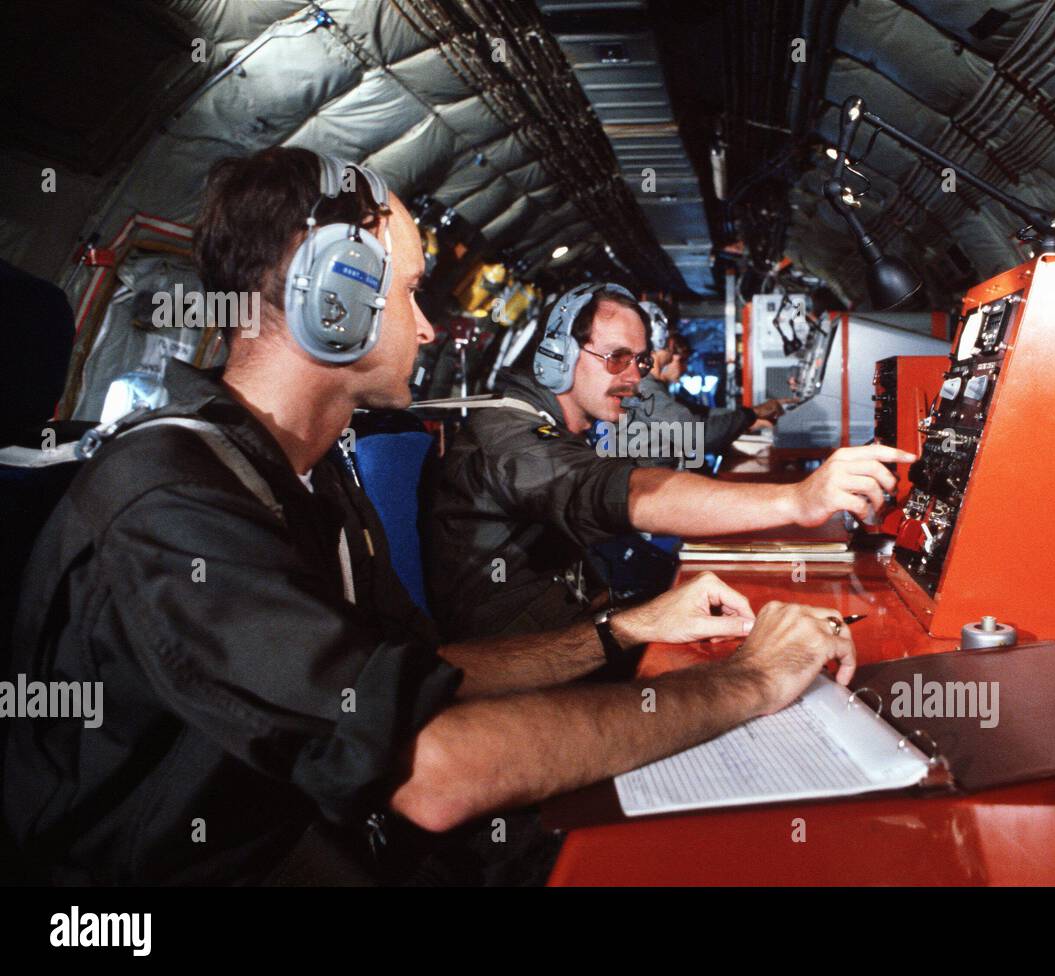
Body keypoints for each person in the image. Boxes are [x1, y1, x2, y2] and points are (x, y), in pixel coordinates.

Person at [2, 147, 858, 886]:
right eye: (409, 292)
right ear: (327, 298)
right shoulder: (171, 502)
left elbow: (411, 672)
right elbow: (431, 772)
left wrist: (626, 630)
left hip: (308, 835)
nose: (425, 326)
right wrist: (748, 682)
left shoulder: (305, 473)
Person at [423, 286, 914, 640]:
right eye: (615, 358)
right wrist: (799, 498)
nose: (633, 379)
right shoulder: (509, 440)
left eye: (638, 362)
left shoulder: (555, 426)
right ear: (557, 356)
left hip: (564, 624)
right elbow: (623, 491)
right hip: (518, 660)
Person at [622, 306, 789, 469]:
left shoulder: (651, 387)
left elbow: (702, 414)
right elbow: (699, 436)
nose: (670, 340)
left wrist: (751, 415)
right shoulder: (645, 389)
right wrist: (752, 414)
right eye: (666, 334)